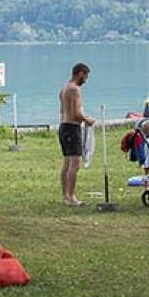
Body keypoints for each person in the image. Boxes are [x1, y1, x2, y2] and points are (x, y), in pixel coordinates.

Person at [58, 62, 94, 206]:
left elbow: (63, 112)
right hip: (72, 128)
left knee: (66, 163)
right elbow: (76, 114)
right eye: (85, 76)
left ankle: (65, 195)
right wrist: (88, 120)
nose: (86, 79)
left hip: (63, 127)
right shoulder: (75, 90)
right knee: (75, 164)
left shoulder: (64, 88)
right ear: (80, 73)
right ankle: (71, 196)